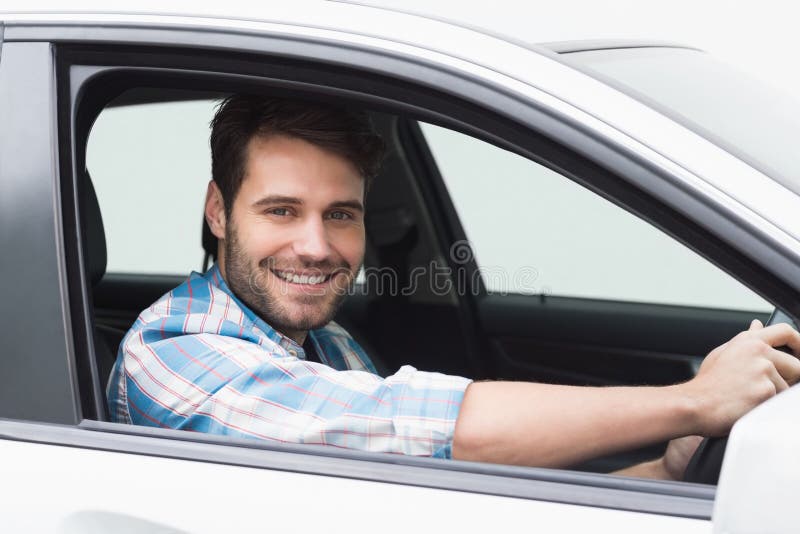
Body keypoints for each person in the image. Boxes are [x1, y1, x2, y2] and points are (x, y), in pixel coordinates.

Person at [107, 95, 800, 479]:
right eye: (281, 210)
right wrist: (691, 402)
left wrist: (670, 467)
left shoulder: (329, 340)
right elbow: (420, 427)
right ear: (219, 211)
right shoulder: (173, 354)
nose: (316, 247)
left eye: (341, 215)